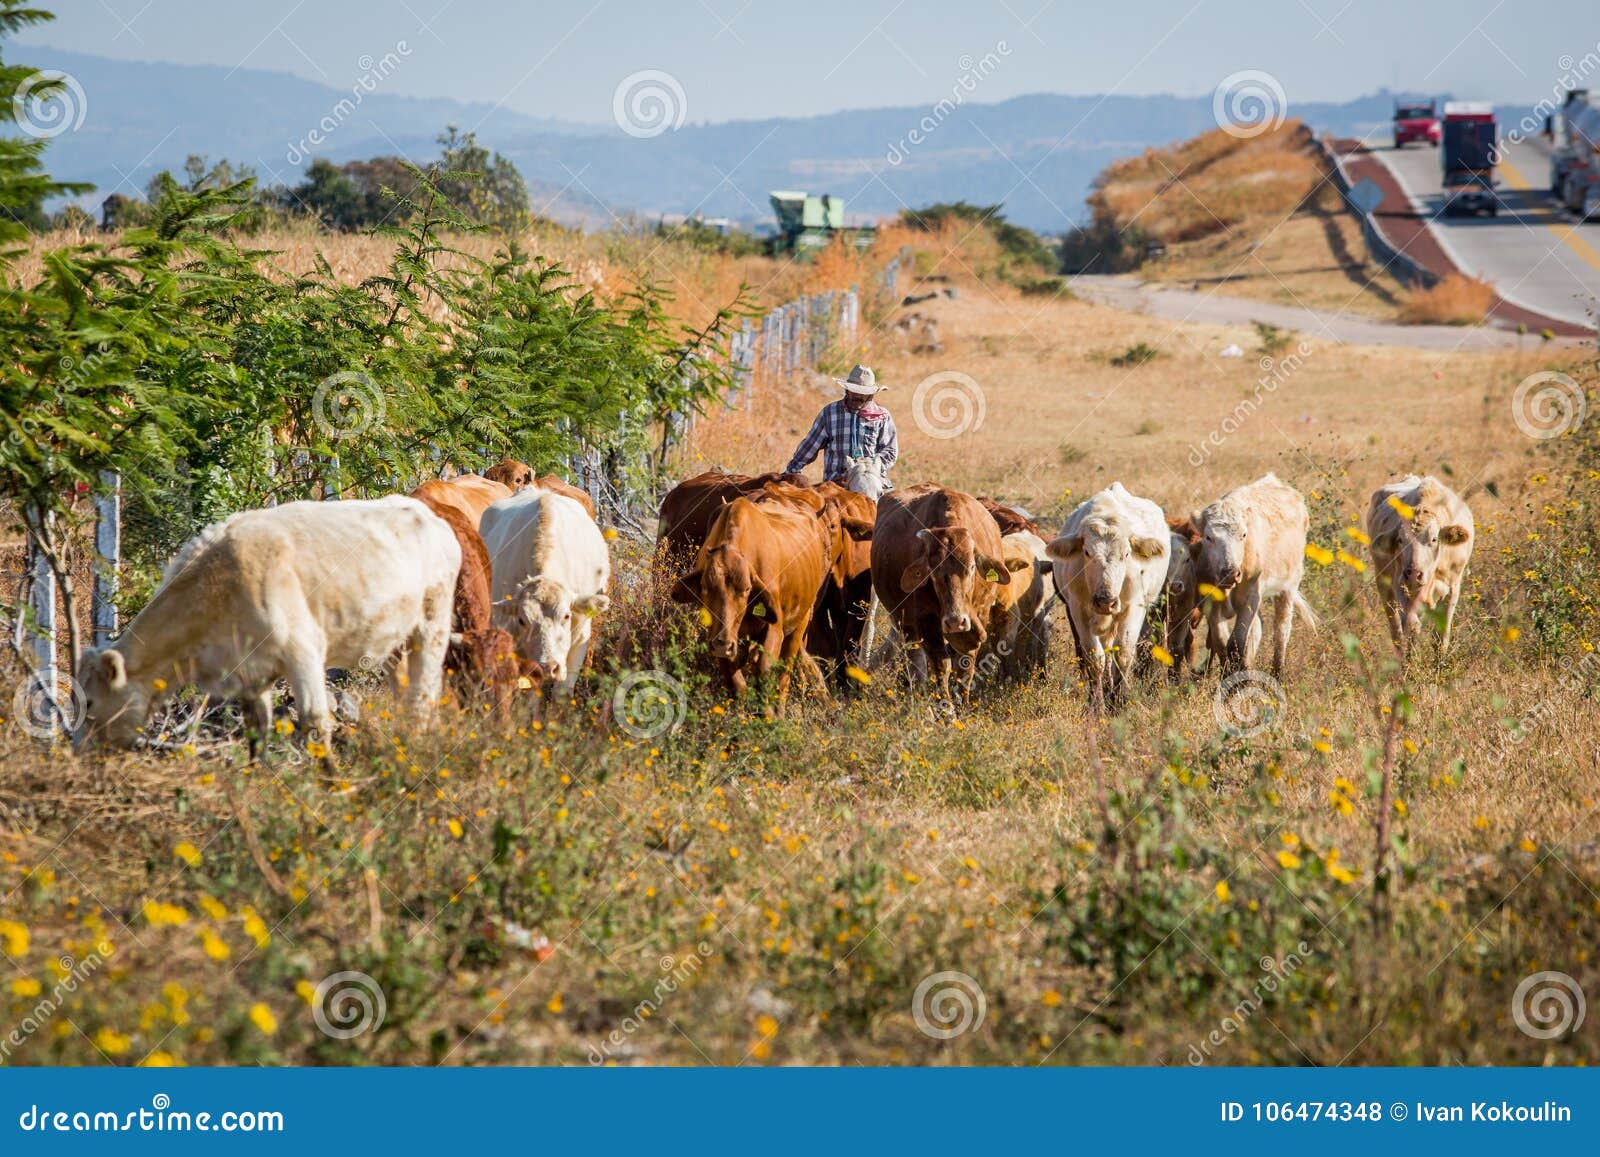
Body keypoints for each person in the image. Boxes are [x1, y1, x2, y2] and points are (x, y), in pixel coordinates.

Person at [785, 364, 898, 486]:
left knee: (893, 503)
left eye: (863, 393)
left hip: (870, 482)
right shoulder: (829, 413)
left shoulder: (882, 416)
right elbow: (810, 445)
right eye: (854, 391)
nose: (858, 395)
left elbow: (890, 451)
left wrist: (868, 469)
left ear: (871, 395)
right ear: (847, 390)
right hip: (836, 483)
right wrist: (791, 471)